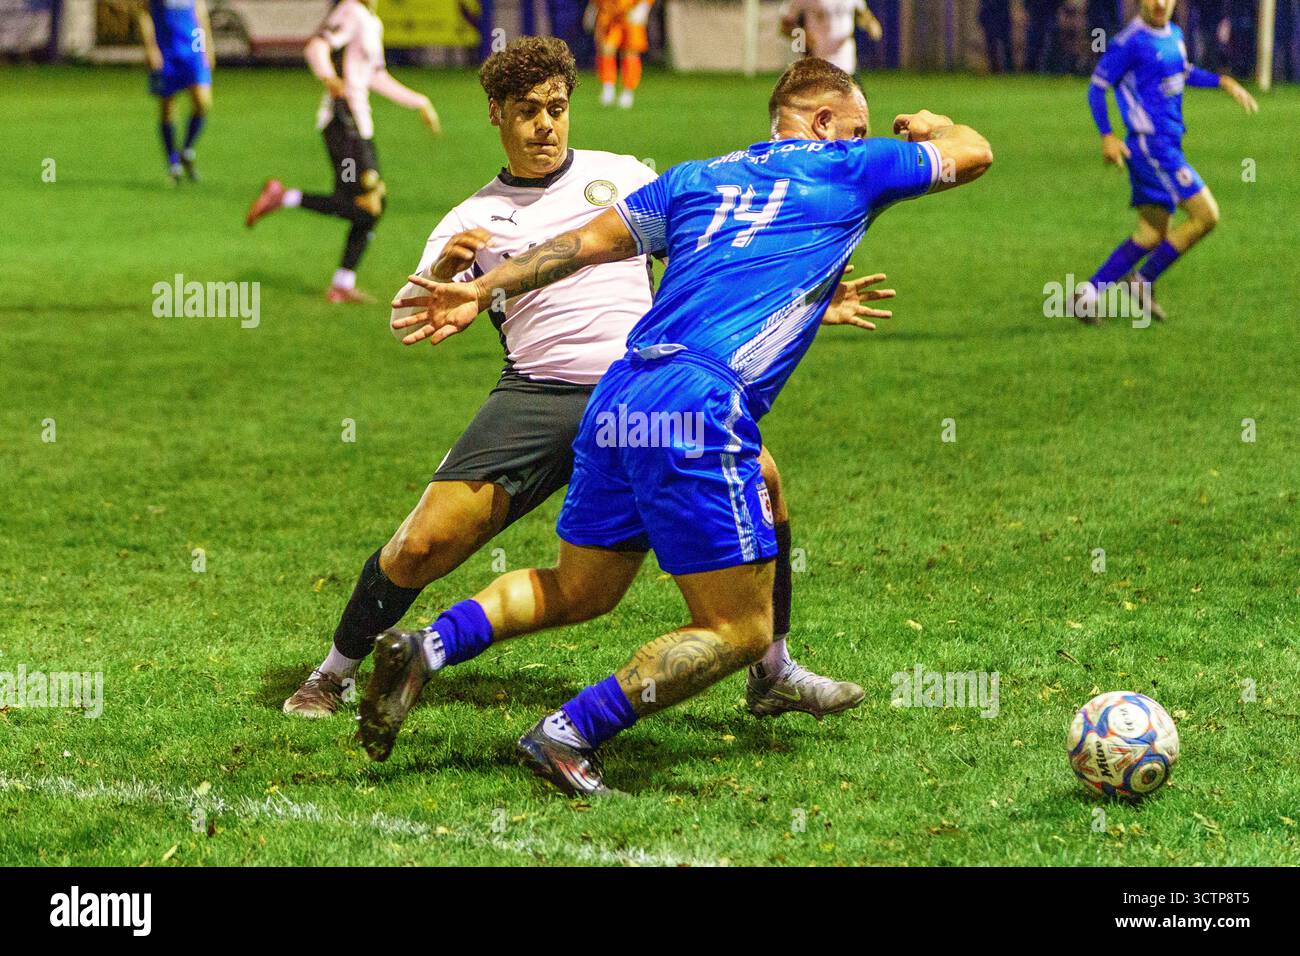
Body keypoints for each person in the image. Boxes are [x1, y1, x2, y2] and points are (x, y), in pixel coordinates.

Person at [366, 57, 992, 795]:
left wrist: (484, 288)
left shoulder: (695, 179)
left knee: (581, 589)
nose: (861, 142)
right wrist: (928, 126)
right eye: (853, 130)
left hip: (620, 393)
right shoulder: (852, 167)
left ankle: (428, 646)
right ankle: (568, 735)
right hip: (696, 407)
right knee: (737, 629)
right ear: (823, 123)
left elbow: (582, 244)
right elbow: (974, 151)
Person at [281, 38, 878, 724]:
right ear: (496, 114)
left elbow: (716, 246)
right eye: (529, 110)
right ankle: (330, 676)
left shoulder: (621, 175)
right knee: (422, 544)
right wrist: (447, 272)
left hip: (641, 383)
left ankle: (773, 669)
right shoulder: (471, 219)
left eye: (558, 108)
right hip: (536, 396)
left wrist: (801, 296)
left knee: (764, 481)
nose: (546, 125)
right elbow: (407, 317)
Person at [243, 0, 440, 304]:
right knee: (369, 204)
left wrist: (419, 101)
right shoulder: (351, 9)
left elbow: (375, 76)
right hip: (342, 123)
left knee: (361, 206)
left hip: (359, 126)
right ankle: (288, 204)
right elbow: (316, 46)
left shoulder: (372, 21)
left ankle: (338, 280)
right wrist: (329, 79)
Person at [1077, 0, 1257, 323]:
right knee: (1206, 215)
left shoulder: (1174, 33)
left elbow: (1182, 71)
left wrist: (1222, 82)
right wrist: (1107, 135)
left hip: (1167, 144)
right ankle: (1142, 281)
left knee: (1151, 234)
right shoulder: (1129, 42)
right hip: (1151, 148)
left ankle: (1087, 294)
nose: (1159, 3)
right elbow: (1097, 87)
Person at [136, 0, 213, 184]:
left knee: (203, 102)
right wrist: (151, 47)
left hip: (193, 50)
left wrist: (207, 46)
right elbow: (144, 14)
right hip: (166, 51)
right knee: (168, 107)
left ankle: (186, 149)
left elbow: (200, 15)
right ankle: (174, 163)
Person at [779, 0, 883, 75]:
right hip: (817, 60)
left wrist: (871, 25)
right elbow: (785, 27)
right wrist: (803, 36)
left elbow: (863, 14)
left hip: (846, 60)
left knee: (854, 101)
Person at [586, 0, 654, 108]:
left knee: (630, 51)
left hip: (630, 10)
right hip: (608, 12)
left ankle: (628, 91)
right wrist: (592, 8)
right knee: (606, 49)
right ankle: (608, 87)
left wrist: (643, 6)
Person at [979, 0, 1014, 73]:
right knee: (993, 44)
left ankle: (1007, 68)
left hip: (1000, 13)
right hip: (990, 13)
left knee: (1005, 43)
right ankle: (996, 68)